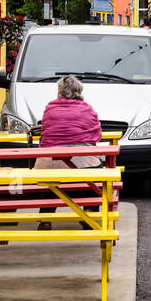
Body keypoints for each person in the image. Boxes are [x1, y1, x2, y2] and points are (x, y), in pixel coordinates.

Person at [34, 74, 105, 227]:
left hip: (51, 161)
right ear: (79, 91)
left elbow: (45, 133)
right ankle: (89, 213)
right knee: (96, 174)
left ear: (60, 91)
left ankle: (46, 218)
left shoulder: (50, 108)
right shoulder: (87, 109)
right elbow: (96, 136)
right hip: (81, 164)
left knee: (51, 182)